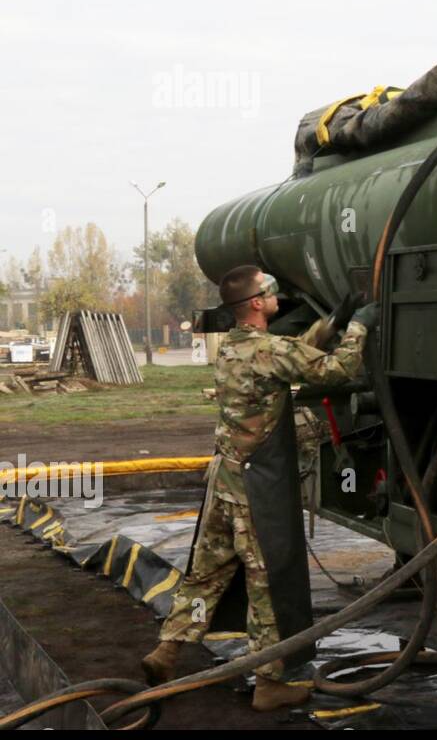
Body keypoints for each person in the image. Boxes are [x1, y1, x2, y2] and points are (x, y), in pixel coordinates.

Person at [140, 266, 377, 712]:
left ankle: (166, 651)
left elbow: (292, 352)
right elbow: (339, 369)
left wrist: (332, 321)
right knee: (265, 578)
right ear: (255, 303)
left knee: (206, 573)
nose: (275, 293)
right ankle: (268, 681)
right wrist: (361, 324)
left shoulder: (233, 348)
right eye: (270, 290)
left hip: (224, 480)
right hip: (255, 487)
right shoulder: (268, 351)